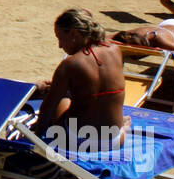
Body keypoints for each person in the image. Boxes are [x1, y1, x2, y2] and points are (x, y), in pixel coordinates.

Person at [34, 8, 128, 147]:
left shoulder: (69, 65)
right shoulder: (115, 50)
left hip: (79, 142)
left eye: (60, 38)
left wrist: (36, 138)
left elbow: (47, 109)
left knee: (63, 97)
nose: (60, 45)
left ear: (73, 33)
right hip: (115, 140)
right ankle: (124, 125)